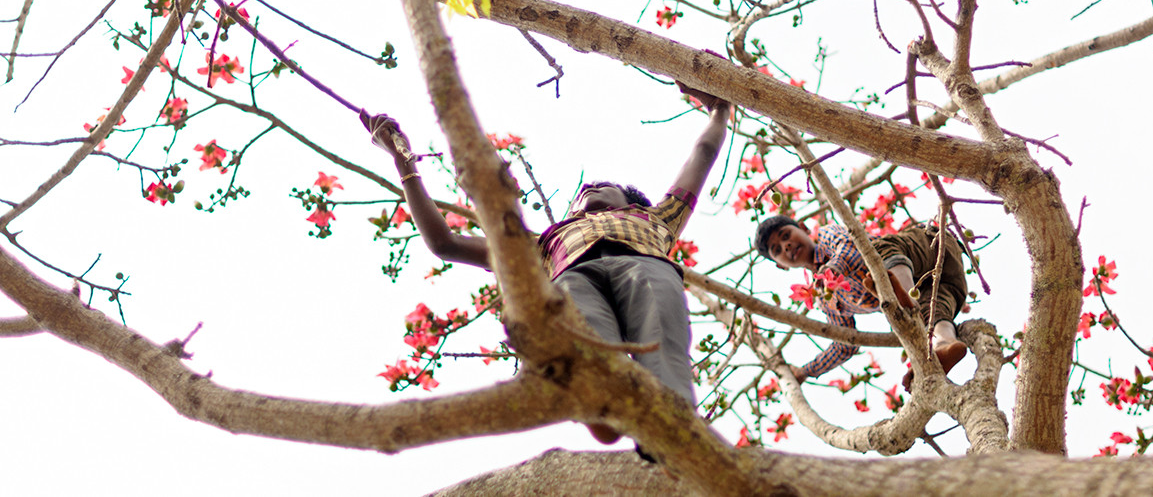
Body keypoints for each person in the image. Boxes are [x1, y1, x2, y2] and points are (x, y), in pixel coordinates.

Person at [361, 84, 732, 449]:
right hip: (571, 278)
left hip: (645, 265)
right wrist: (404, 163)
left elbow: (702, 152)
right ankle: (603, 402)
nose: (589, 187)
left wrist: (720, 108)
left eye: (603, 185)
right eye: (582, 191)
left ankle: (671, 421)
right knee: (589, 345)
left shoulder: (659, 217)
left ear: (630, 200)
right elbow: (445, 243)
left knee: (661, 339)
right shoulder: (540, 244)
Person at [754, 215, 969, 390]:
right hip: (945, 280)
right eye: (777, 250)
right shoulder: (826, 300)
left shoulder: (828, 235)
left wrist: (833, 270)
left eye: (786, 235)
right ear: (780, 266)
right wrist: (806, 371)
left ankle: (906, 303)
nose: (786, 245)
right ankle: (945, 345)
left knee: (879, 251)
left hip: (929, 246)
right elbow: (844, 344)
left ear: (802, 227)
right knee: (933, 314)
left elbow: (848, 248)